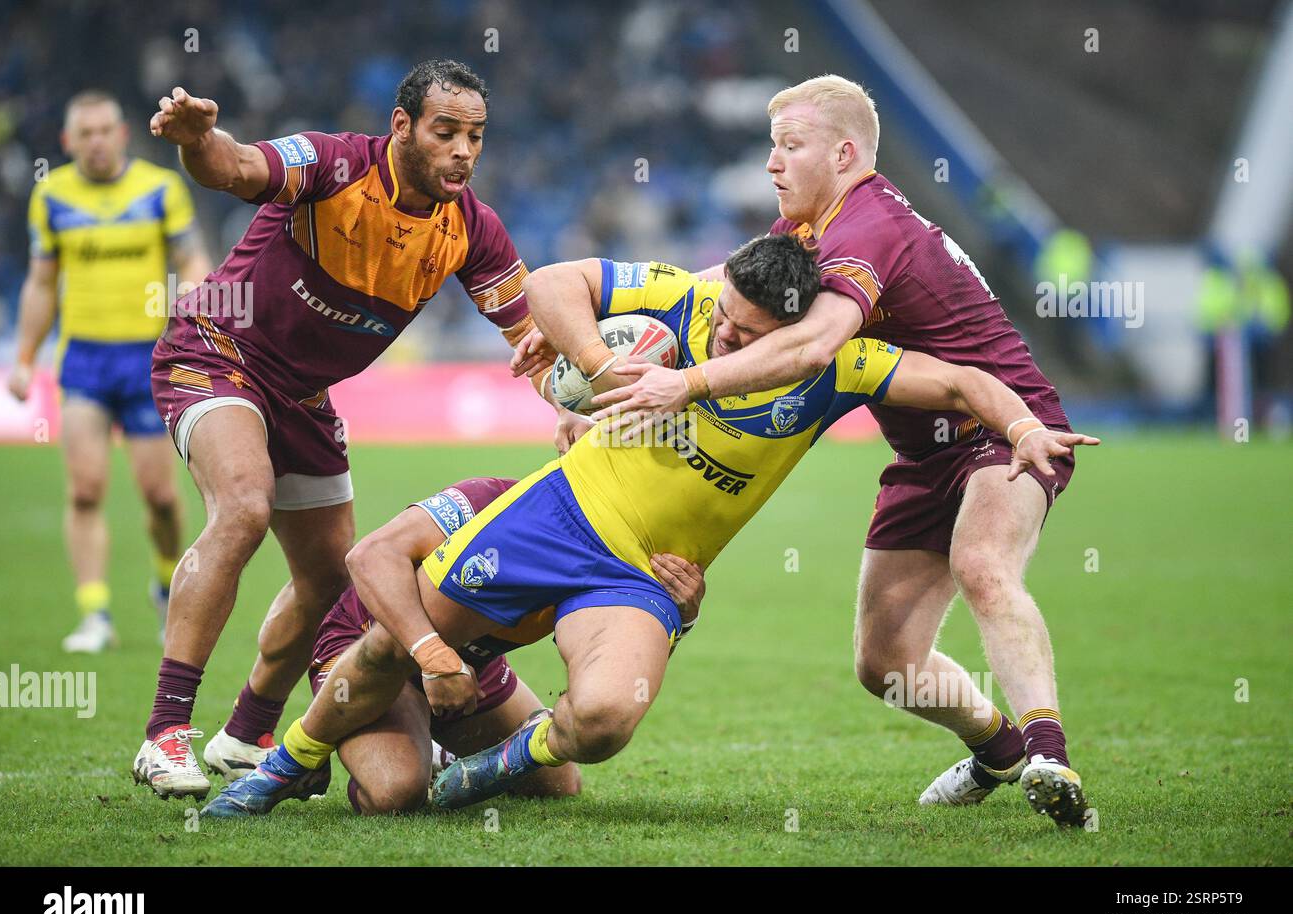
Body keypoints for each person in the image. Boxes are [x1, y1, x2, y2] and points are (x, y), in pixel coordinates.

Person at [200, 233, 1094, 817]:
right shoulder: (684, 299)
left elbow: (961, 383)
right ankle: (288, 761)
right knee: (405, 641)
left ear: (796, 334)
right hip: (560, 515)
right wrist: (598, 365)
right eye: (728, 322)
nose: (726, 341)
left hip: (645, 574)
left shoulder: (838, 364)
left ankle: (473, 774)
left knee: (603, 719)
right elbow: (554, 283)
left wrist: (1019, 428)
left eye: (751, 337)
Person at [552, 75, 1096, 826]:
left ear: (844, 154)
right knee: (887, 664)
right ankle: (999, 750)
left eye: (790, 145)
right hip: (923, 453)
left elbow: (813, 346)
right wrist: (588, 367)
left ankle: (1050, 755)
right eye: (771, 146)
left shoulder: (867, 224)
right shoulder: (797, 238)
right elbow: (705, 296)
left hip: (1006, 429)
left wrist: (686, 385)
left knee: (982, 564)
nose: (772, 163)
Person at [133, 59, 550, 801]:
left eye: (476, 136)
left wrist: (580, 405)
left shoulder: (472, 230)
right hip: (217, 349)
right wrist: (198, 140)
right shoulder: (331, 164)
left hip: (304, 394)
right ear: (402, 127)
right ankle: (165, 733)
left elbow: (532, 339)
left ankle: (248, 733)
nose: (463, 151)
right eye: (446, 131)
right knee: (245, 506)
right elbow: (233, 166)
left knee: (329, 578)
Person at [207, 474, 705, 815]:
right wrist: (430, 653)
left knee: (558, 786)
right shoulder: (493, 497)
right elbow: (371, 556)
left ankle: (434, 745)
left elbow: (610, 660)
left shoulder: (624, 550)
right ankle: (296, 763)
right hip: (373, 642)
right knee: (396, 797)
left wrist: (675, 617)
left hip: (473, 662)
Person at [9, 90, 211, 653]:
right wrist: (24, 359)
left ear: (122, 135)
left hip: (149, 361)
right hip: (84, 362)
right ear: (68, 142)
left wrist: (194, 284)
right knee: (86, 488)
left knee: (161, 497)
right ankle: (95, 612)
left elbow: (191, 256)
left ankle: (166, 581)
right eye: (85, 133)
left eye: (105, 130)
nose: (96, 141)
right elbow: (42, 283)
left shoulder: (159, 189)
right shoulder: (51, 196)